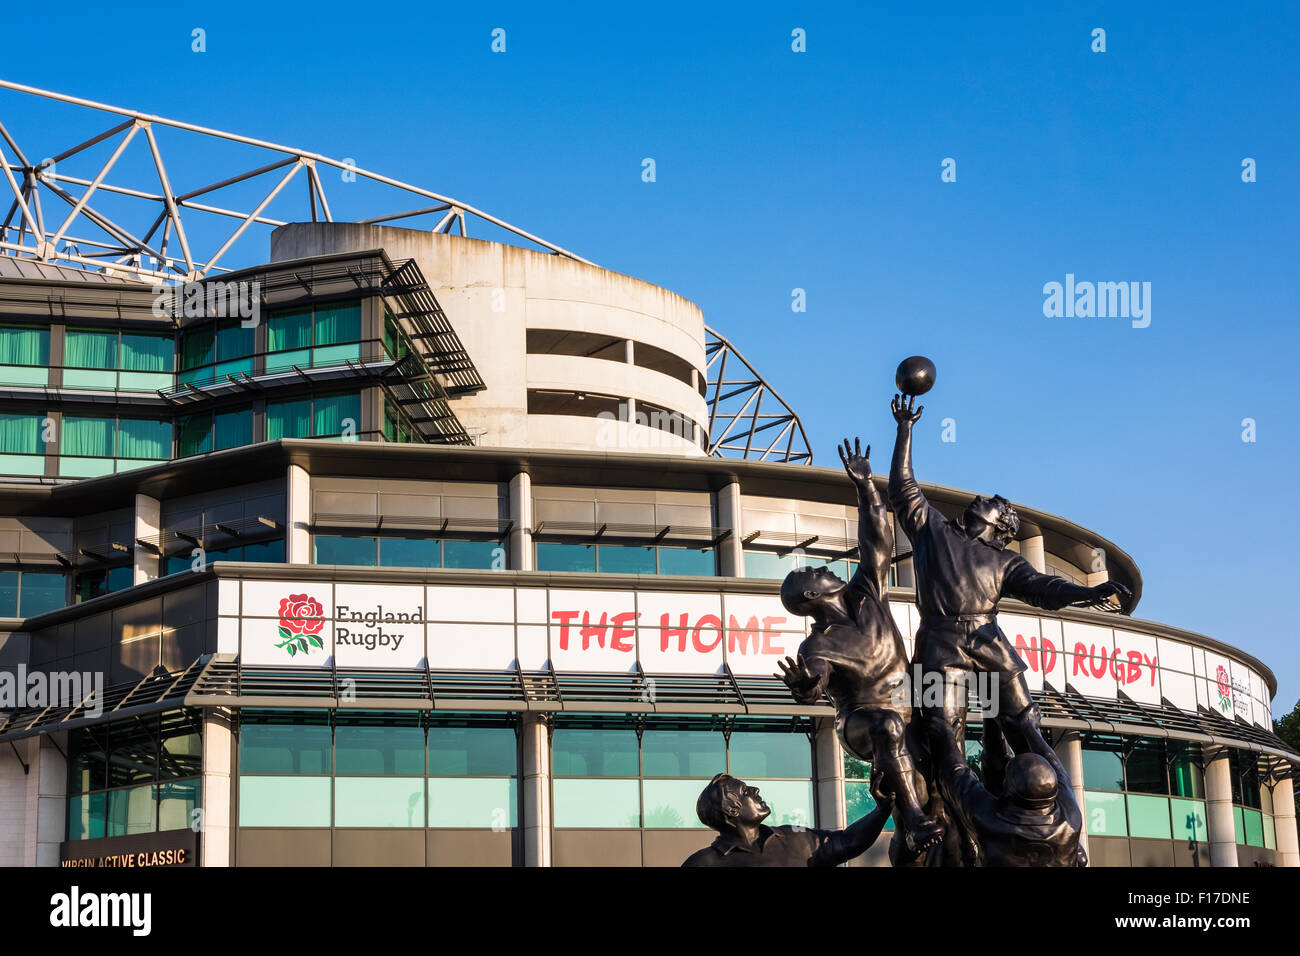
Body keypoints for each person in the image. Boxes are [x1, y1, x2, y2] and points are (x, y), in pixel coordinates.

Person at [887, 393, 1132, 769]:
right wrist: (905, 429)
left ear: (1000, 523)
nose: (979, 498)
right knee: (942, 732)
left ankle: (1055, 799)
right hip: (939, 644)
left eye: (990, 501)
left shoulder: (1006, 562)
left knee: (1024, 724)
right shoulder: (933, 532)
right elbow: (903, 489)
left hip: (988, 643)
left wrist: (1089, 590)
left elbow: (1044, 589)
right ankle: (960, 812)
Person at [775, 437, 944, 855]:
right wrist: (805, 688)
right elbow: (815, 683)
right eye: (811, 572)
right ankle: (916, 822)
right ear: (810, 597)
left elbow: (877, 541)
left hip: (912, 708)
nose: (820, 566)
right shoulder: (816, 645)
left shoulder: (867, 592)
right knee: (888, 726)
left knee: (950, 727)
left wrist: (866, 487)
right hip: (862, 723)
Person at [933, 718, 1086, 866]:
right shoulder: (1071, 817)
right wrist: (1029, 728)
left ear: (1008, 790)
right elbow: (1058, 769)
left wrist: (946, 734)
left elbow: (956, 772)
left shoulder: (989, 820)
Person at [682, 773, 893, 867]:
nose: (755, 790)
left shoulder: (795, 839)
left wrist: (882, 810)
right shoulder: (702, 863)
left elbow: (848, 841)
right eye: (745, 791)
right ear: (731, 809)